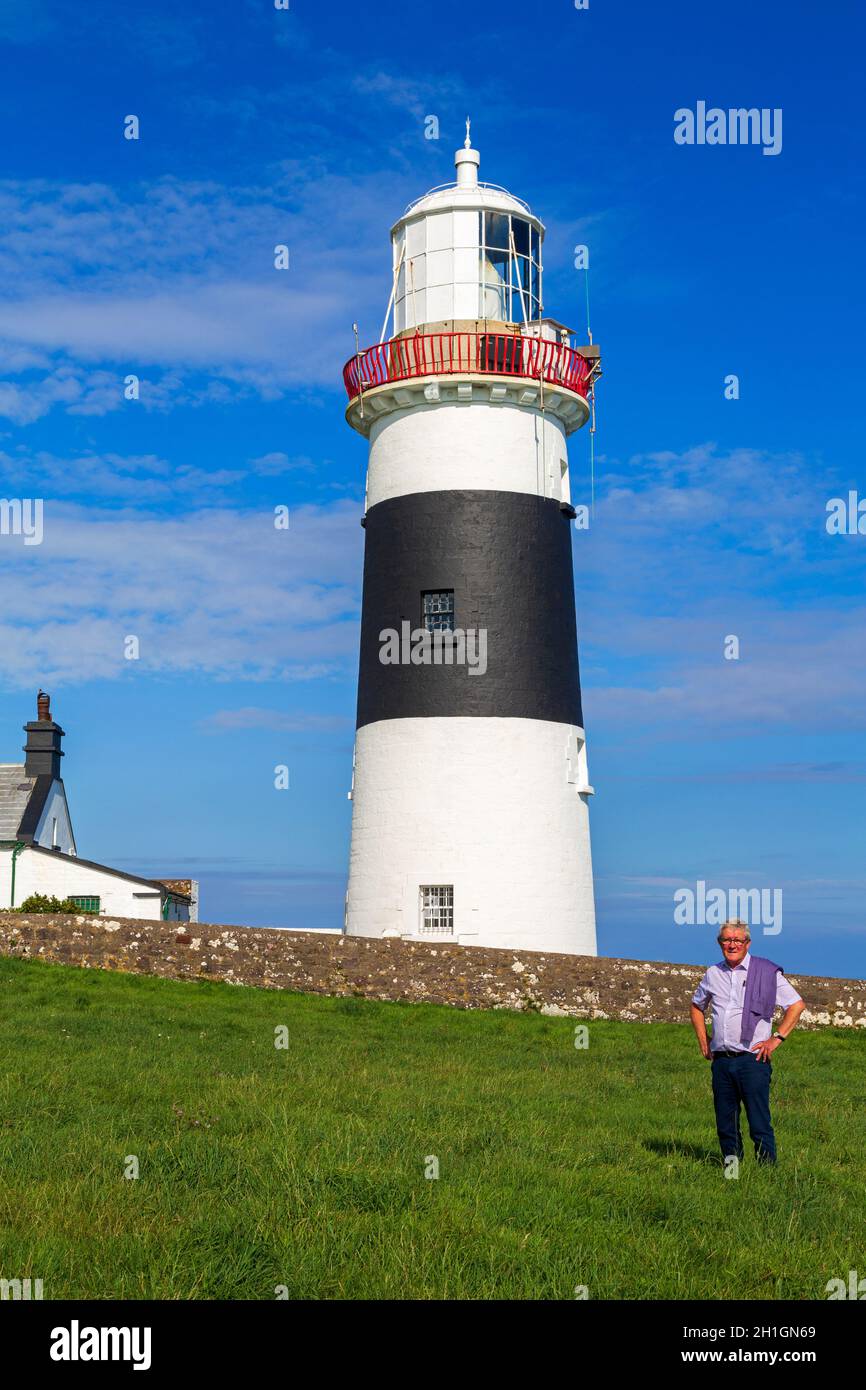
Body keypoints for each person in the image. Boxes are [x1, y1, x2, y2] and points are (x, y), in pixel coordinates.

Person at [689, 921, 805, 1165]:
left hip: (753, 1060)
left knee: (759, 1122)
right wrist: (703, 1040)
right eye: (726, 940)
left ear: (747, 943)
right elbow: (696, 1006)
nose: (732, 945)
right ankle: (732, 1173)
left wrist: (776, 1039)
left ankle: (767, 1174)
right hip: (722, 1061)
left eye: (737, 940)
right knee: (726, 1125)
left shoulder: (767, 971)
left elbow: (796, 1005)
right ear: (720, 943)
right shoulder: (713, 973)